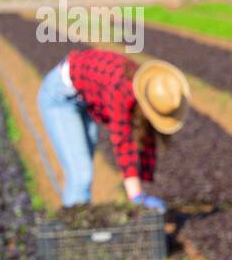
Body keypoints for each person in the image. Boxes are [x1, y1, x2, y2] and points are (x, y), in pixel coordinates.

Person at [36, 48, 190, 211]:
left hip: (85, 100)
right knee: (81, 174)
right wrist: (136, 195)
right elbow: (123, 142)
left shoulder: (143, 84)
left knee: (84, 164)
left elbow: (142, 137)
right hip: (59, 98)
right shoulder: (120, 90)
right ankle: (73, 231)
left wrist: (140, 184)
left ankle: (79, 219)